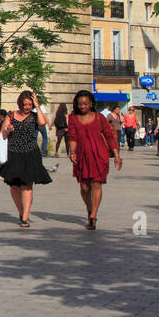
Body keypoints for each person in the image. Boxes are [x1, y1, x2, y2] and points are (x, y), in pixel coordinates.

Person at [67, 89, 120, 230]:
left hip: (99, 155)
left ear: (91, 103)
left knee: (96, 184)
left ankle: (93, 216)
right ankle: (90, 209)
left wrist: (116, 155)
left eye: (85, 104)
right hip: (81, 155)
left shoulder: (99, 118)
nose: (83, 106)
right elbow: (72, 137)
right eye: (80, 104)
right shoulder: (72, 118)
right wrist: (72, 152)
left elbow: (109, 136)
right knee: (84, 187)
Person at [0, 89, 51, 227]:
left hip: (30, 153)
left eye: (29, 104)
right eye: (25, 104)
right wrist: (8, 129)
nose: (27, 107)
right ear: (20, 103)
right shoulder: (11, 115)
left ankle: (26, 217)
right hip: (14, 154)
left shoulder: (34, 116)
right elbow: (3, 135)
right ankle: (21, 212)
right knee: (14, 186)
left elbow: (43, 123)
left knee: (27, 185)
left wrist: (38, 106)